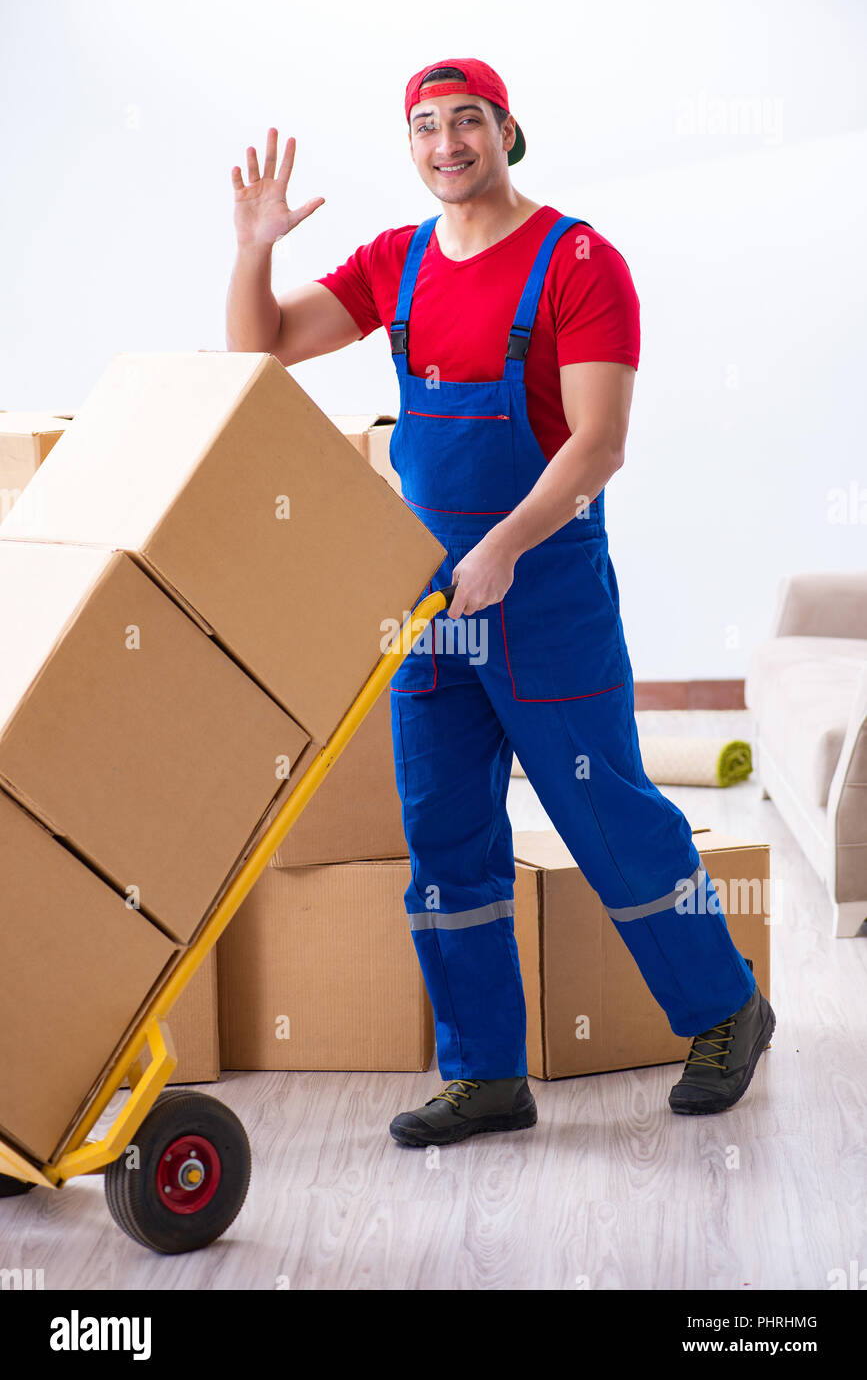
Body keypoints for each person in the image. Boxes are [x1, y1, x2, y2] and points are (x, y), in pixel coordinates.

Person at [226, 57, 776, 1148]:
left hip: (546, 587)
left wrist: (504, 550)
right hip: (428, 600)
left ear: (506, 130)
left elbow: (598, 444)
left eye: (465, 121)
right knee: (444, 830)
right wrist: (254, 250)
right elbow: (263, 351)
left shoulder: (579, 262)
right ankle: (485, 1074)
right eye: (425, 126)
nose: (445, 144)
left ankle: (726, 1010)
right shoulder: (400, 261)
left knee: (606, 811)